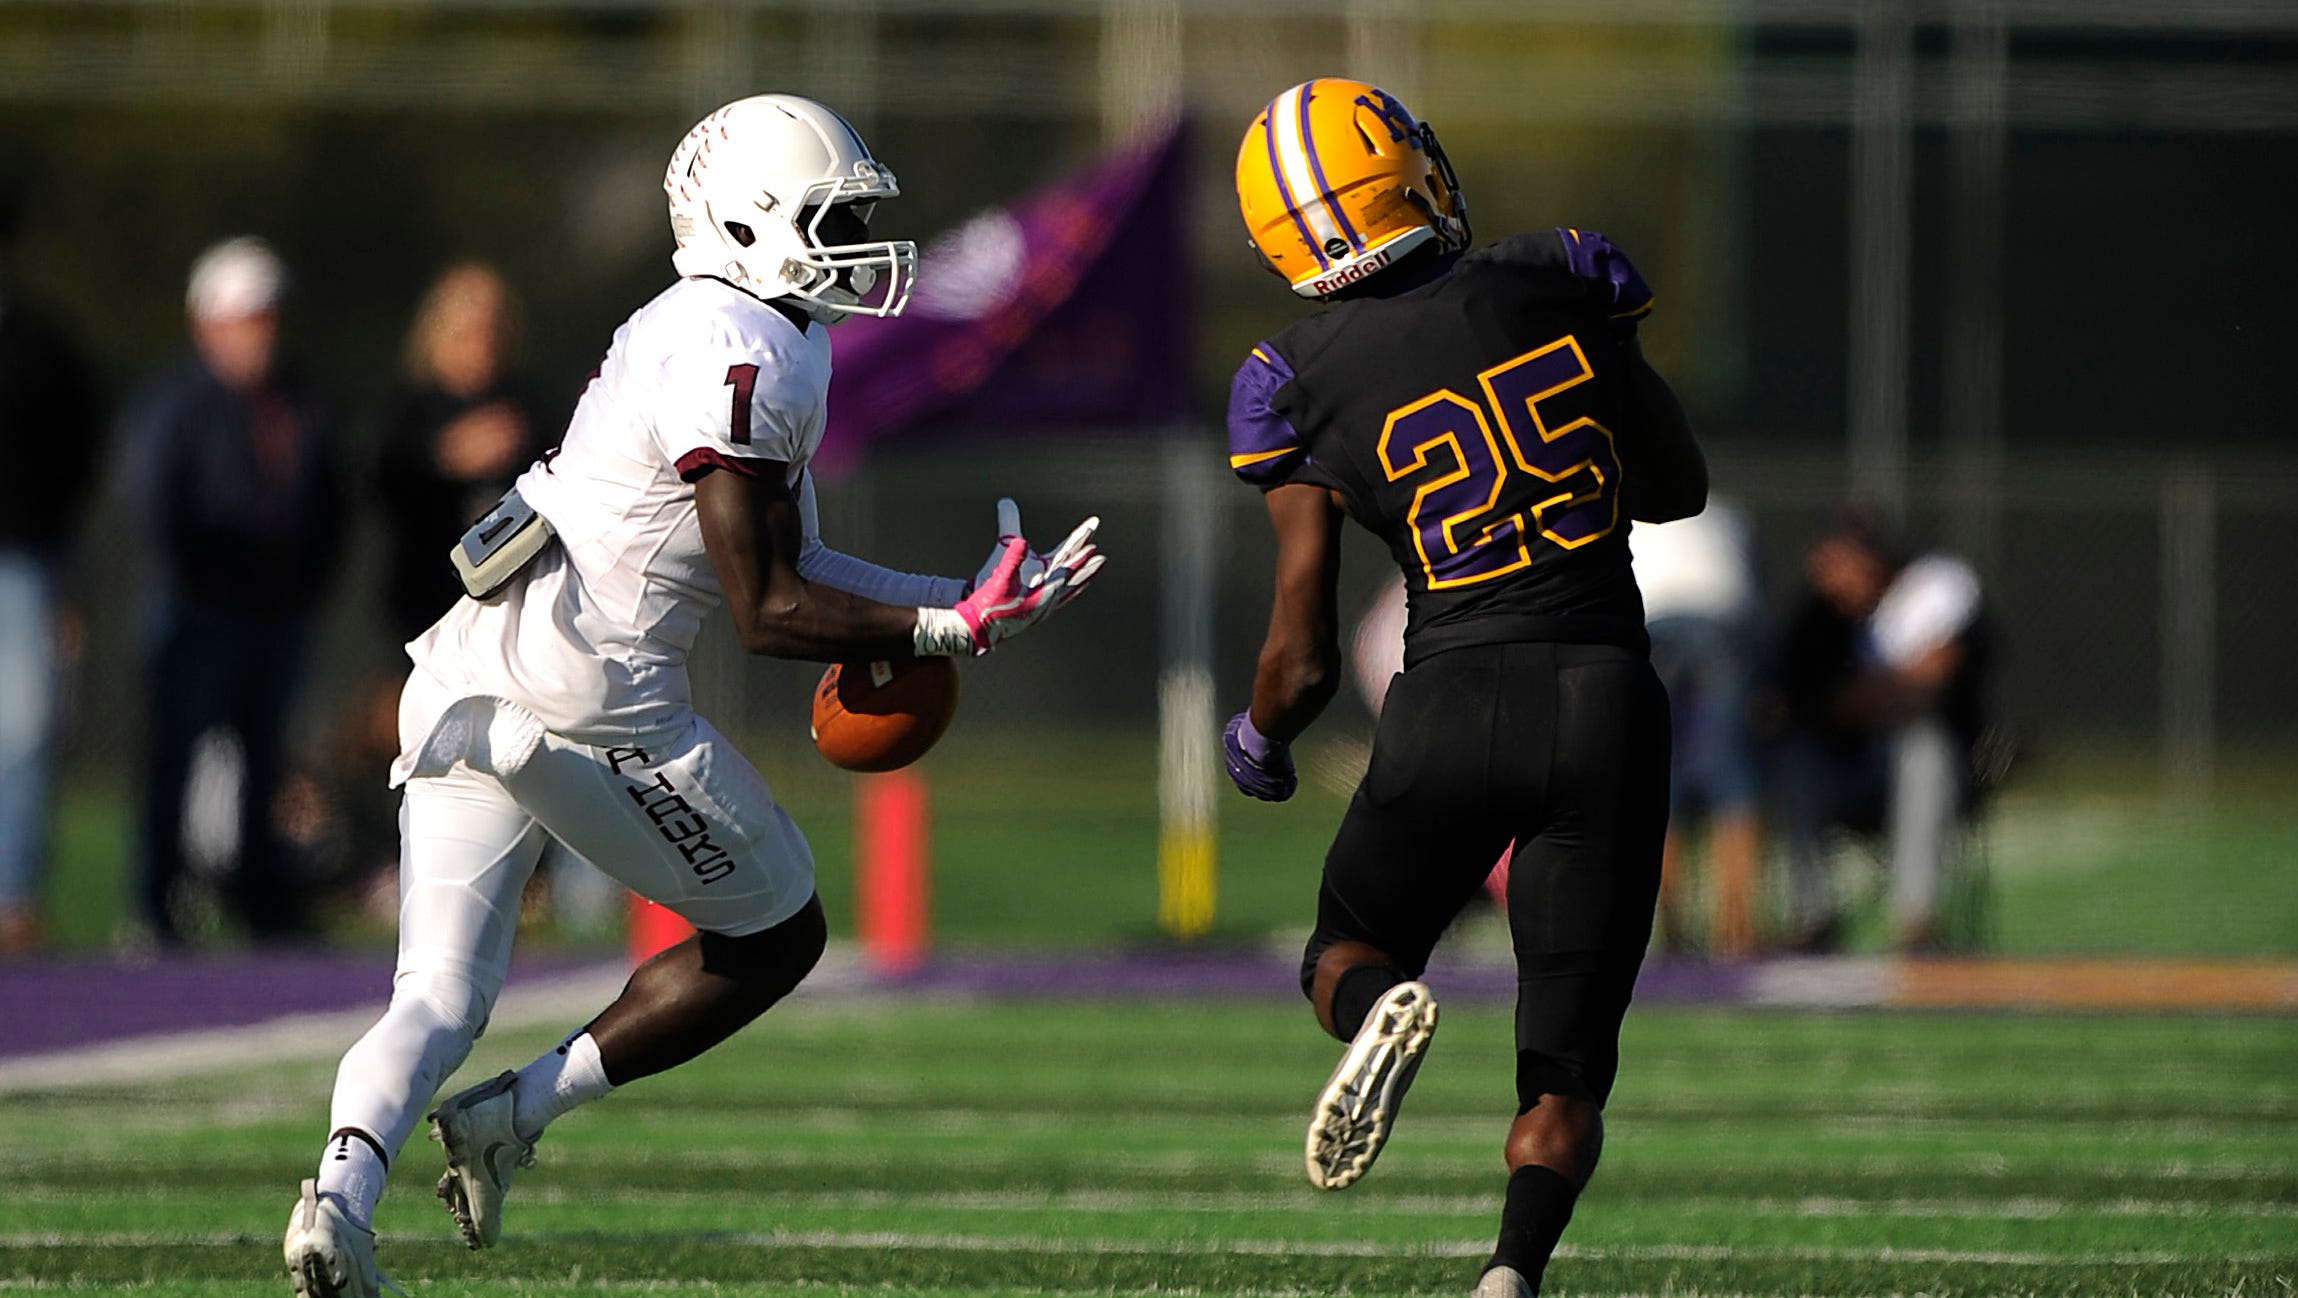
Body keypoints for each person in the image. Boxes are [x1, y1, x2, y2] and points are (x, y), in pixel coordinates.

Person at [280, 94, 1103, 1298]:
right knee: (780, 931)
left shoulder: (735, 324)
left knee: (441, 993)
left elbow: (806, 562)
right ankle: (513, 1117)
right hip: (595, 701)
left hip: (467, 669)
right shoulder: (746, 350)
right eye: (829, 217)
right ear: (747, 221)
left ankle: (337, 1201)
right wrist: (947, 627)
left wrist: (958, 598)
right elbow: (770, 608)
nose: (855, 241)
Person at [1219, 80, 1705, 1298]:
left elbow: (1305, 654)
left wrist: (1257, 736)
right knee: (1564, 1075)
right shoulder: (1564, 273)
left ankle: (1387, 1005)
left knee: (1346, 947)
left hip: (1450, 697)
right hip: (1605, 692)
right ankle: (1509, 1274)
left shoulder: (1291, 376)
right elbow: (1676, 484)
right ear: (1410, 173)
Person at [132, 236, 344, 946]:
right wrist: (200, 585)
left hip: (275, 612)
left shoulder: (300, 400)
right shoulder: (183, 406)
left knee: (264, 760)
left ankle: (262, 902)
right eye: (248, 318)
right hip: (200, 613)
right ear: (210, 323)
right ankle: (157, 904)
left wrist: (308, 581)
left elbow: (329, 502)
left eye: (269, 317)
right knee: (179, 758)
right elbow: (158, 505)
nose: (263, 333)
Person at [1773, 511, 1989, 952]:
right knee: (1797, 762)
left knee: (1922, 750)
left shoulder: (1936, 588)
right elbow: (1813, 706)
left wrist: (1868, 694)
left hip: (1932, 771)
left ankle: (1916, 924)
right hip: (1852, 769)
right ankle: (1813, 919)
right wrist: (1892, 690)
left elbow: (1936, 681)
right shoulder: (1817, 617)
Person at [0, 186, 106, 953]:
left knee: (23, 732)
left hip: (22, 561)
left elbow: (82, 450)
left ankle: (13, 900)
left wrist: (60, 555)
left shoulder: (40, 349)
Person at [376, 263, 550, 646]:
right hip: (428, 600)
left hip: (514, 603)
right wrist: (445, 459)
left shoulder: (524, 404)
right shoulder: (412, 407)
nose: (480, 343)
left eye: (490, 330)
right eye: (467, 332)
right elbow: (383, 489)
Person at [1630, 499, 1763, 958]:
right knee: (1734, 778)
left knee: (1660, 777)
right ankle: (1737, 929)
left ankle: (1671, 927)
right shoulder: (1722, 512)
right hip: (1722, 621)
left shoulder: (1626, 509)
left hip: (1656, 620)